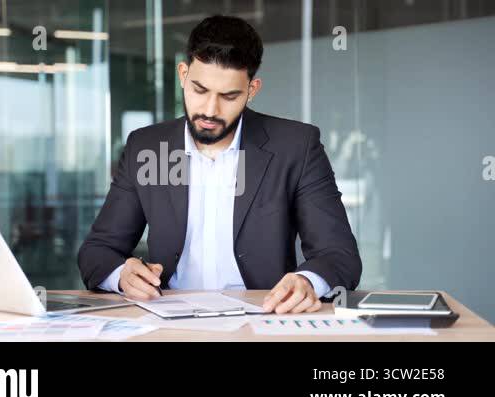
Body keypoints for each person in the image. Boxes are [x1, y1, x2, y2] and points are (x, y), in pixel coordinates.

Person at [78, 15, 362, 314]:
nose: (210, 110)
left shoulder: (296, 146)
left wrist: (307, 281)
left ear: (252, 90)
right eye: (199, 90)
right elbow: (97, 251)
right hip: (169, 320)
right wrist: (122, 276)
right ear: (183, 74)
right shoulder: (145, 147)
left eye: (229, 96)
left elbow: (339, 254)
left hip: (264, 316)